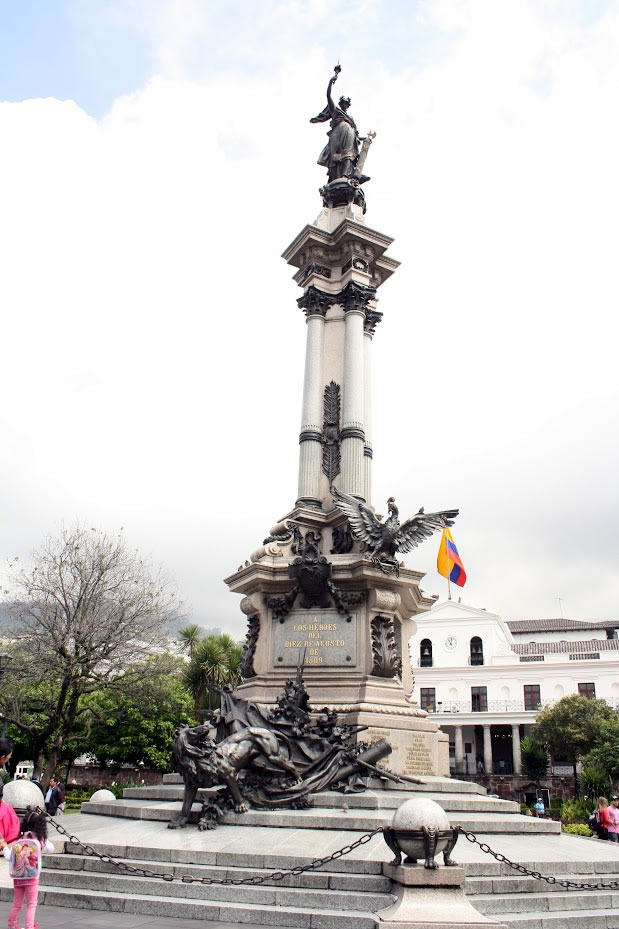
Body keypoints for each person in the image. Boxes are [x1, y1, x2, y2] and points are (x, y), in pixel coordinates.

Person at [1, 806, 54, 929]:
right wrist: (43, 839)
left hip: (18, 877)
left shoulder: (19, 840)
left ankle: (12, 925)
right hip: (32, 878)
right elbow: (51, 848)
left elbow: (9, 857)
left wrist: (4, 847)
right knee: (31, 904)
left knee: (17, 903)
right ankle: (29, 927)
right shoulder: (40, 841)